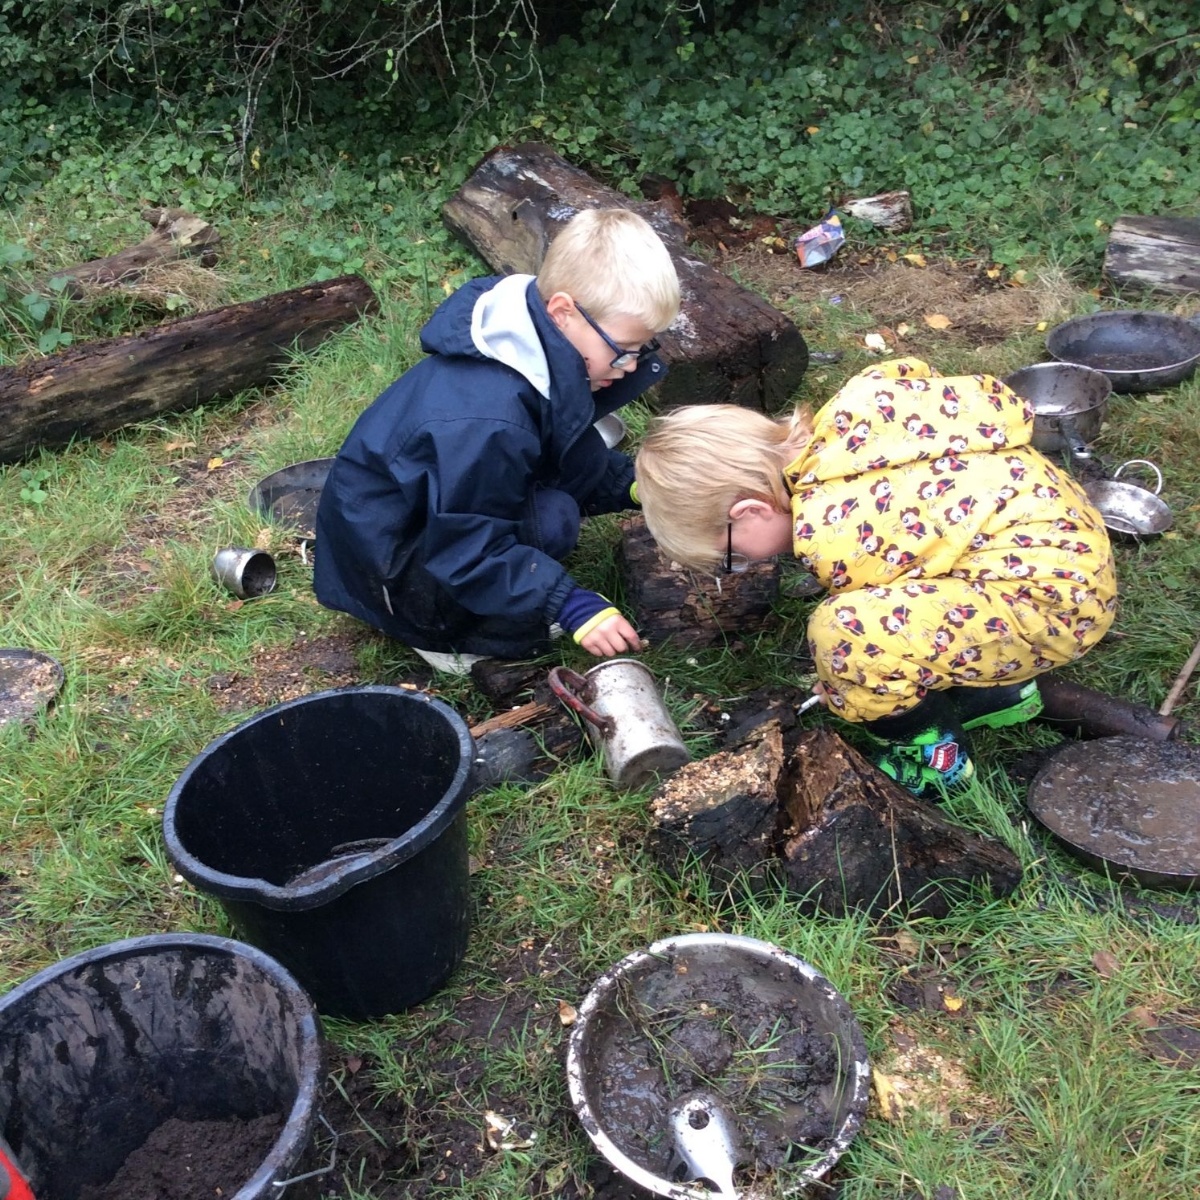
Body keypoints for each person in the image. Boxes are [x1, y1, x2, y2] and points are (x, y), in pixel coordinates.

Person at [634, 358, 1118, 797]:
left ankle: (934, 762)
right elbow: (907, 370)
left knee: (847, 635)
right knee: (888, 628)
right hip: (1067, 553)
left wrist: (852, 685)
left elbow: (867, 636)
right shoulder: (853, 425)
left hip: (1051, 608)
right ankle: (998, 690)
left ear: (752, 512)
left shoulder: (833, 532)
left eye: (732, 556)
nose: (744, 566)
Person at [314, 208, 681, 673]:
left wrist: (637, 484)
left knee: (558, 489)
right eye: (624, 350)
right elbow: (466, 545)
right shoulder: (490, 423)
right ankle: (444, 634)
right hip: (393, 569)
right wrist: (566, 602)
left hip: (435, 517)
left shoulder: (533, 345)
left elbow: (565, 451)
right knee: (552, 520)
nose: (630, 366)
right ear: (564, 312)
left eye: (642, 350)